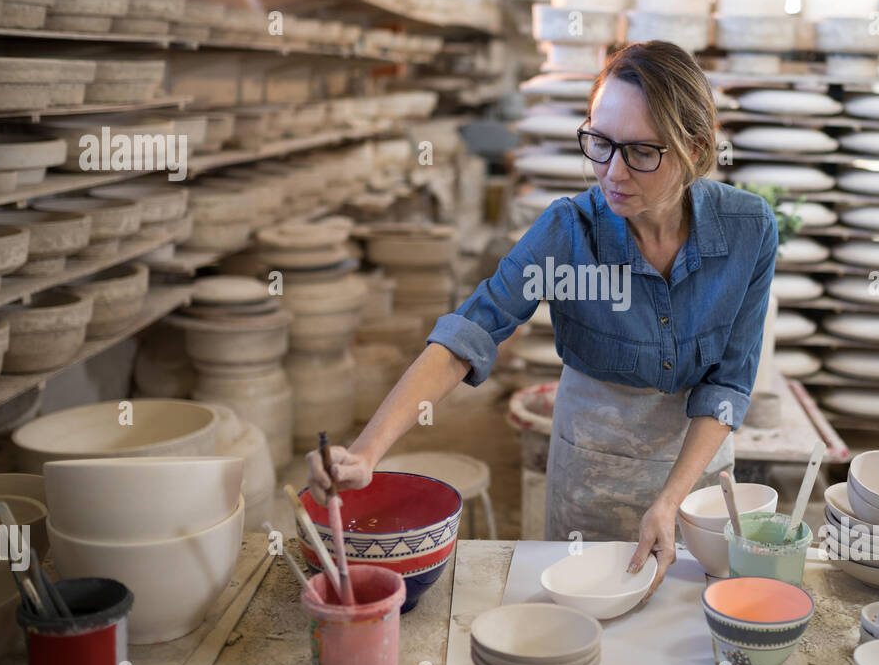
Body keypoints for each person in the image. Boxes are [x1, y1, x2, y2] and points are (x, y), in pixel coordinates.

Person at [308, 40, 778, 600]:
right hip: (591, 463)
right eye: (599, 143)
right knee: (582, 623)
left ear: (694, 147)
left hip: (695, 480)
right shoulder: (566, 232)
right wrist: (365, 453)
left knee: (687, 633)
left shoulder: (748, 230)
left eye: (641, 152)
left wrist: (671, 500)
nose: (612, 171)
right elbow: (468, 336)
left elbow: (727, 382)